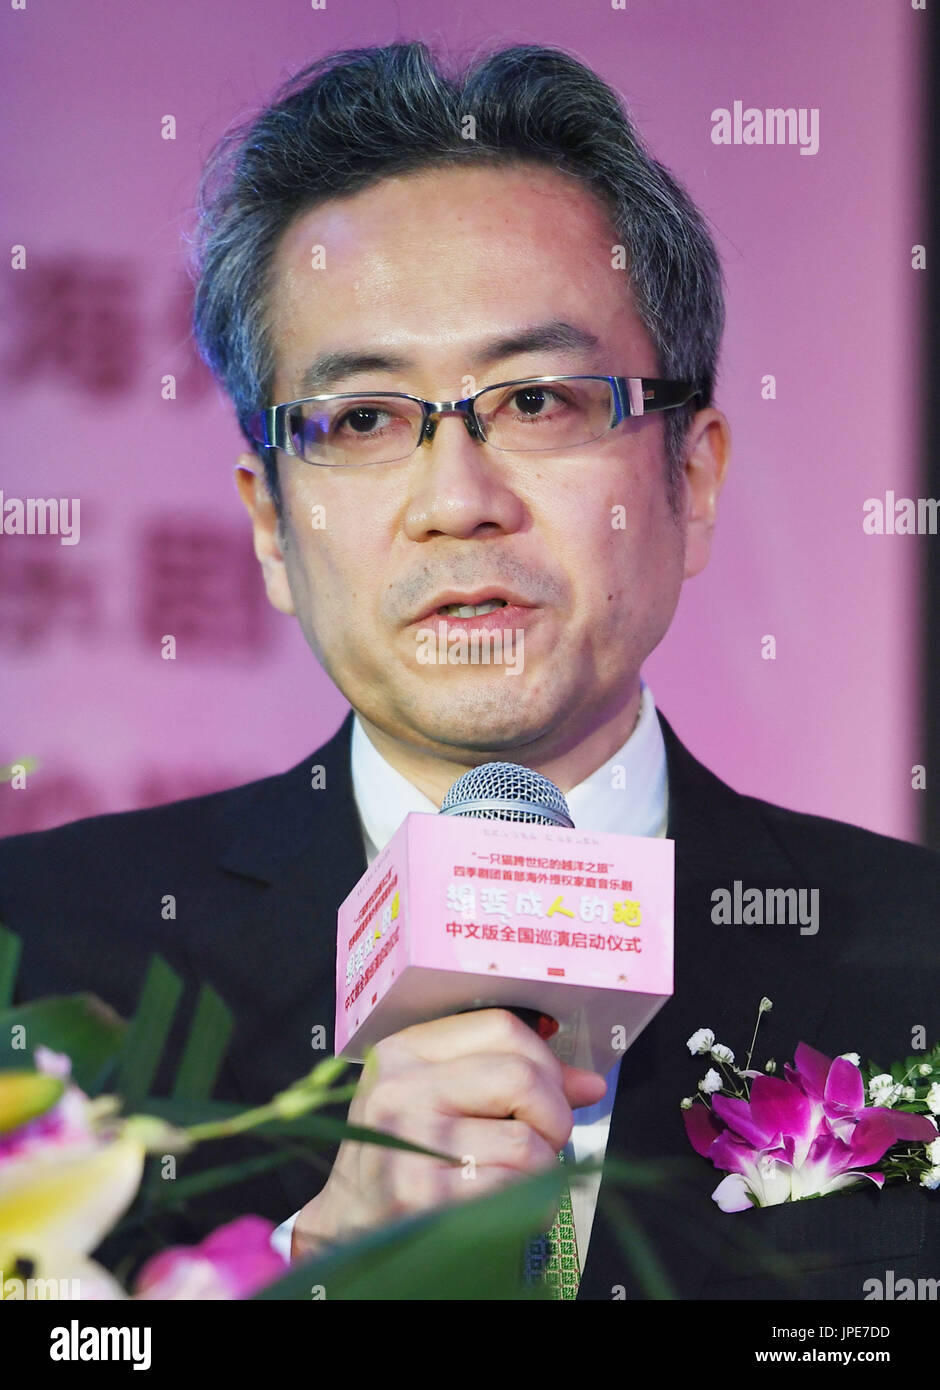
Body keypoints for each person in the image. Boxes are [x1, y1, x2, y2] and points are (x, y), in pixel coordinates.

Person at [1, 41, 937, 1300]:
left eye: (541, 401)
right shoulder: (44, 956)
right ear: (272, 524)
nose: (457, 499)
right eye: (365, 420)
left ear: (694, 477)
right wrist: (311, 1273)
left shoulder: (913, 947)